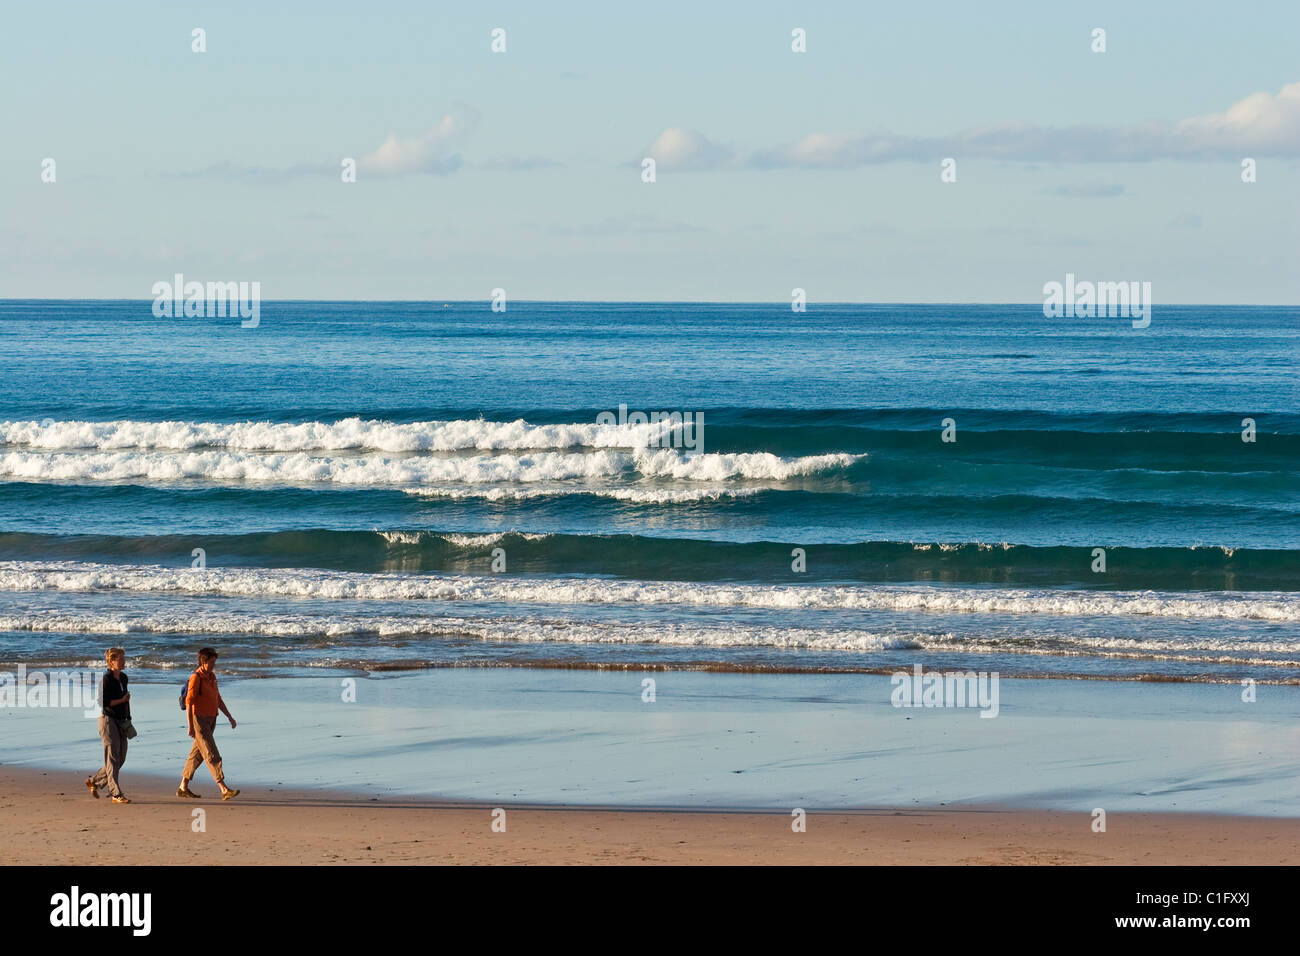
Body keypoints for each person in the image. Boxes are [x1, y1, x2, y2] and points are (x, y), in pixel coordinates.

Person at [177, 647, 239, 800]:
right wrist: (191, 726)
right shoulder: (196, 678)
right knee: (212, 754)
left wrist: (229, 717)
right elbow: (189, 702)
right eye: (211, 662)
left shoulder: (212, 677)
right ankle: (223, 788)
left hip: (212, 720)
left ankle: (183, 787)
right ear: (203, 662)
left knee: (197, 755)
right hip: (199, 721)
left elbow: (217, 699)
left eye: (214, 662)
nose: (213, 665)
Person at [86, 647, 132, 804]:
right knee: (112, 757)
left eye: (124, 658)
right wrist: (122, 700)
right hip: (107, 719)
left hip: (121, 720)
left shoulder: (124, 678)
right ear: (111, 662)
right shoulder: (106, 679)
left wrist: (128, 717)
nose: (124, 661)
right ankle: (115, 793)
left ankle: (94, 781)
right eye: (120, 659)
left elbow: (126, 699)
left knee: (121, 757)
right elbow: (103, 703)